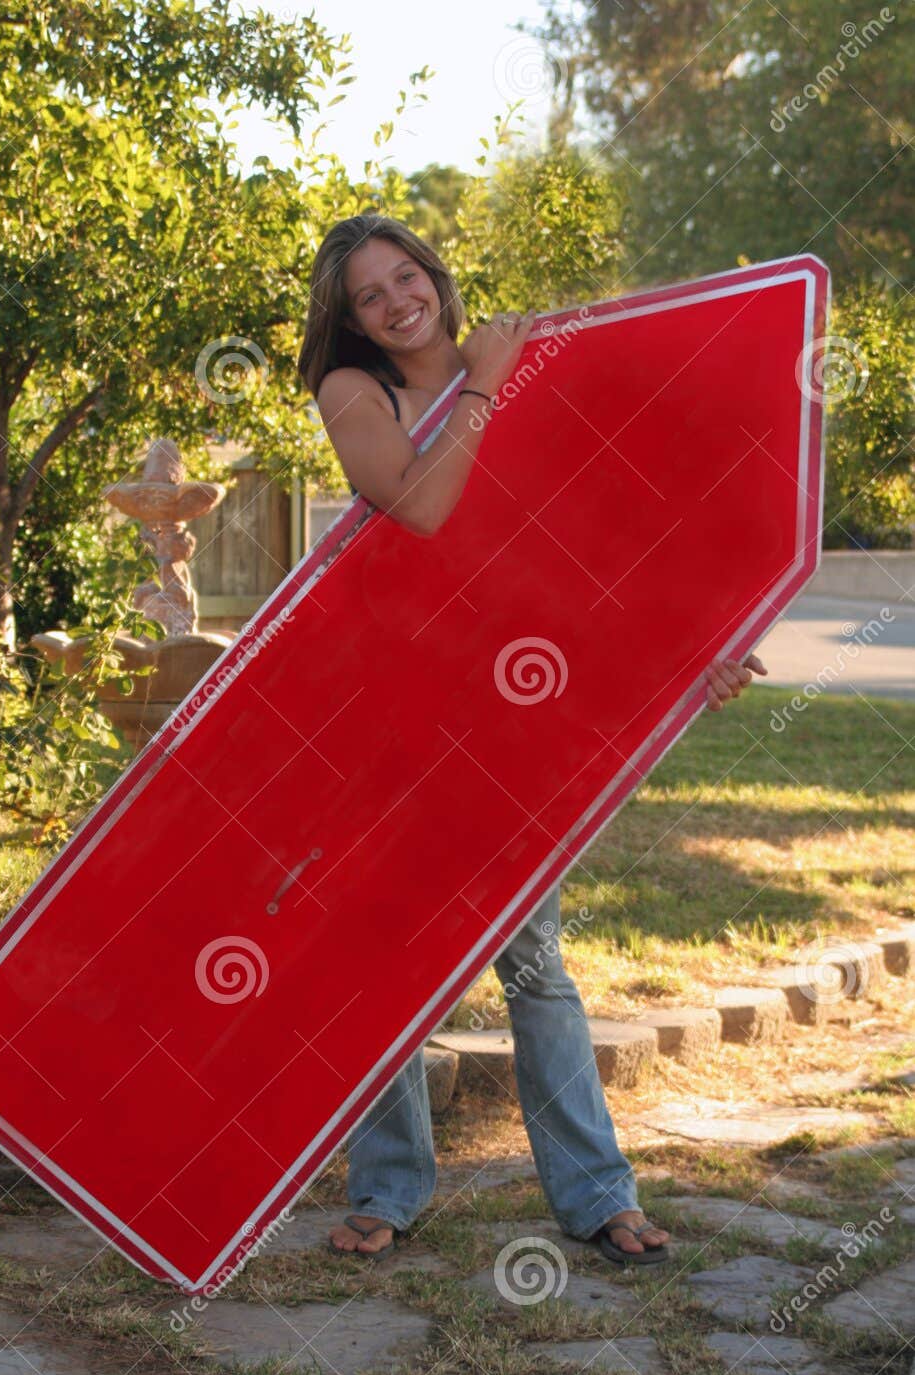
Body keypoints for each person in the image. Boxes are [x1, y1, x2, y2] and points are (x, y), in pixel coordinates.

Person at [296, 212, 766, 1267]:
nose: (393, 301)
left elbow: (601, 535)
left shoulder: (536, 370)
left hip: (524, 713)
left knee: (535, 962)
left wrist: (691, 654)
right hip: (402, 706)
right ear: (351, 321)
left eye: (403, 275)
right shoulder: (354, 393)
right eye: (367, 295)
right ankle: (387, 1188)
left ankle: (596, 1195)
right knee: (390, 954)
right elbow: (416, 504)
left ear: (434, 273)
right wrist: (482, 385)